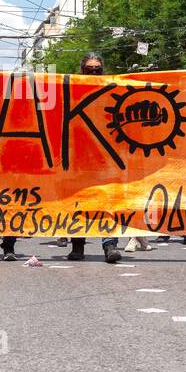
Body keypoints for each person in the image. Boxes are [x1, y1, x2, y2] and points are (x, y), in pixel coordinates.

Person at [67, 53, 122, 264]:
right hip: (77, 160)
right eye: (89, 69)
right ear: (82, 71)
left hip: (107, 160)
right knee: (78, 206)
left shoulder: (114, 89)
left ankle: (110, 246)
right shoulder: (70, 90)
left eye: (97, 69)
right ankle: (77, 247)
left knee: (108, 204)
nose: (93, 72)